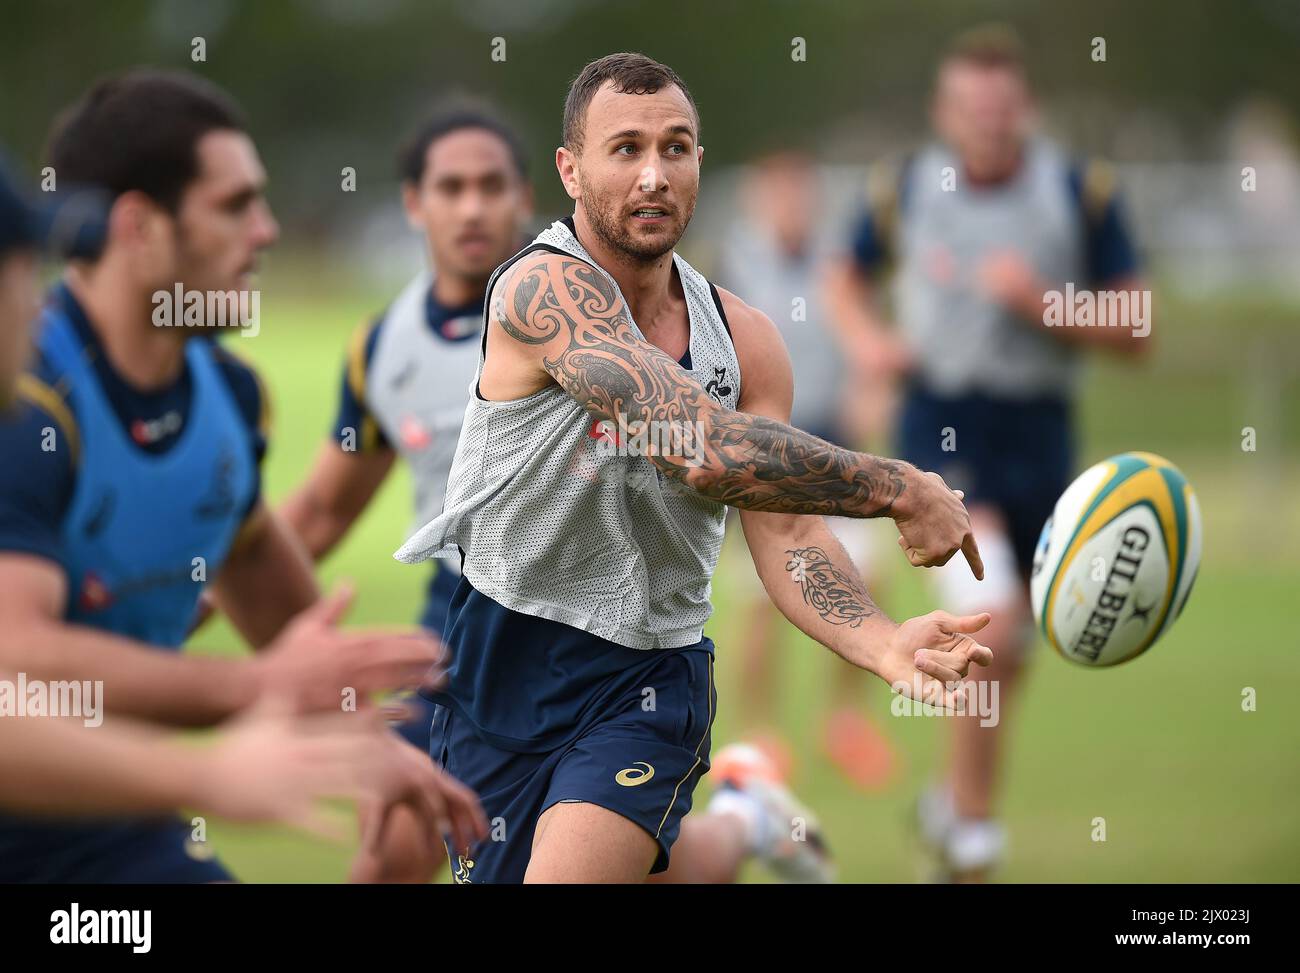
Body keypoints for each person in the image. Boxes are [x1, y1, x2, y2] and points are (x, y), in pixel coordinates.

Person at [396, 52, 992, 884]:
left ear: (700, 165)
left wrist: (884, 641)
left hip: (646, 676)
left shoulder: (745, 341)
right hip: (498, 659)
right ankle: (747, 821)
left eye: (676, 149)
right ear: (570, 170)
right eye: (626, 149)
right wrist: (901, 487)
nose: (653, 175)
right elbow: (702, 449)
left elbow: (784, 532)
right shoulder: (540, 290)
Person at [0, 70, 483, 882]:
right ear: (139, 227)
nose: (265, 230)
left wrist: (359, 732)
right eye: (234, 205)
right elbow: (17, 662)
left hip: (118, 825)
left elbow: (252, 555)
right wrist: (253, 690)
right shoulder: (32, 408)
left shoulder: (230, 398)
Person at [825, 25, 1146, 881]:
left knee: (1015, 644)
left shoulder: (1079, 189)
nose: (988, 123)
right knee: (993, 619)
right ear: (946, 110)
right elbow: (843, 276)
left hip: (1042, 437)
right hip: (940, 432)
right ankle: (970, 829)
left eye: (1002, 107)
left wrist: (1042, 303)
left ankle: (947, 803)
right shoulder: (903, 187)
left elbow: (1138, 323)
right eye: (971, 107)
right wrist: (869, 341)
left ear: (1025, 107)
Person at [279, 104, 533, 882]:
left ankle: (739, 815)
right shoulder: (383, 346)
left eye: (492, 186)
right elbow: (322, 509)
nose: (473, 207)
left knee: (618, 857)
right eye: (450, 187)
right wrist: (206, 589)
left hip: (588, 629)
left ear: (525, 195)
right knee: (393, 845)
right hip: (455, 620)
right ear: (413, 204)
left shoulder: (588, 309)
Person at [716, 150, 898, 791]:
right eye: (780, 193)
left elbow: (872, 338)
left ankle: (845, 724)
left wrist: (872, 392)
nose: (792, 204)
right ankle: (758, 733)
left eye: (802, 192)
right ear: (760, 200)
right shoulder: (732, 266)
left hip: (838, 443)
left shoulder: (839, 263)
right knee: (763, 599)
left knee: (866, 580)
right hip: (769, 449)